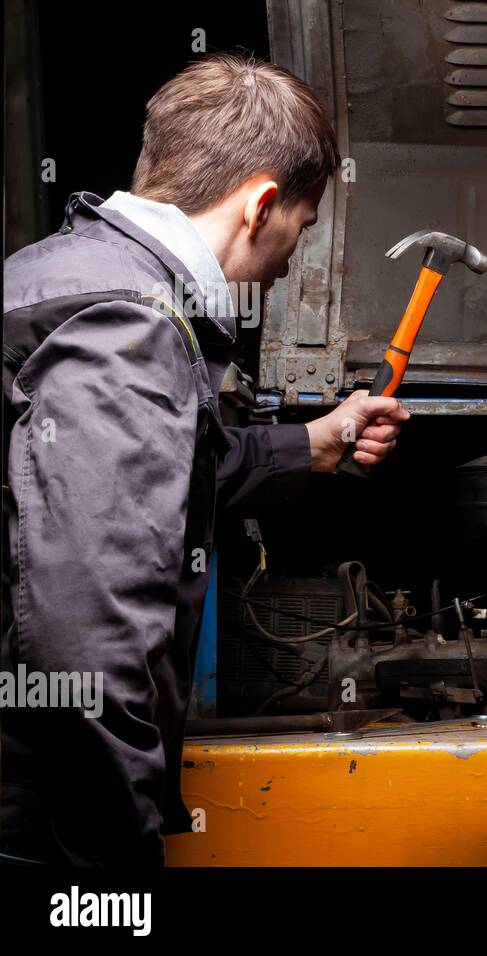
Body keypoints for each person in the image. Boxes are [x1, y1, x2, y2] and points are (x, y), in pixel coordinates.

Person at [0, 53, 409, 865]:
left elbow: (121, 484)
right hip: (35, 823)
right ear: (261, 204)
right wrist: (116, 862)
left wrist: (311, 444)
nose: (296, 254)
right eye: (306, 222)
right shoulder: (129, 322)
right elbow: (84, 633)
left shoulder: (55, 275)